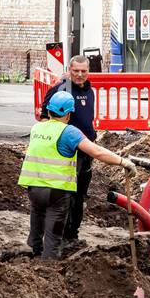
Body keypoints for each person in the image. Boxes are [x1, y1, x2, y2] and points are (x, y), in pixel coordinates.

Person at [20, 91, 126, 260]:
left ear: (49, 111)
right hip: (56, 192)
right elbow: (97, 152)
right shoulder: (69, 132)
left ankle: (31, 260)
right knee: (53, 238)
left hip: (34, 188)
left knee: (36, 229)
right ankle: (47, 269)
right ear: (68, 114)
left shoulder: (36, 128)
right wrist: (123, 162)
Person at [39, 55, 96, 245]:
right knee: (66, 195)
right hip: (68, 152)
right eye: (76, 71)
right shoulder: (59, 91)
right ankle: (60, 234)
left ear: (89, 71)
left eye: (84, 71)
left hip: (86, 151)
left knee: (79, 195)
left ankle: (73, 233)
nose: (80, 75)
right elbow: (45, 119)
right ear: (69, 70)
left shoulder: (90, 91)